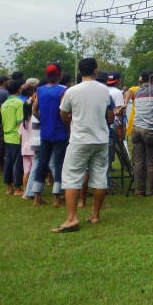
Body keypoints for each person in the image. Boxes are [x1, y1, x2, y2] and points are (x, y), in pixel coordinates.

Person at [52, 58, 114, 232]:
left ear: (80, 72)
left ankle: (72, 218)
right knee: (100, 177)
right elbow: (110, 115)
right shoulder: (105, 90)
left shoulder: (72, 91)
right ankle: (95, 215)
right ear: (95, 71)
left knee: (72, 177)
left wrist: (70, 121)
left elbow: (63, 113)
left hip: (79, 139)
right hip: (101, 139)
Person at [32, 63, 69, 207]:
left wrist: (43, 119)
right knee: (59, 164)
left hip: (45, 132)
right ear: (60, 74)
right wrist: (66, 125)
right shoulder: (63, 90)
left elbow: (34, 109)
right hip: (59, 131)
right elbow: (63, 111)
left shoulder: (40, 90)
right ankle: (57, 197)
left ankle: (37, 196)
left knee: (42, 162)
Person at [131, 70, 153, 197]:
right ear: (152, 78)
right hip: (150, 129)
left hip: (136, 129)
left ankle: (139, 190)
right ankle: (151, 190)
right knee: (151, 160)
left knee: (138, 161)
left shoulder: (137, 92)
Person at [0, 80, 25, 196]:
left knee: (8, 162)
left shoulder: (4, 104)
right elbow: (20, 122)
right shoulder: (19, 103)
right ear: (18, 89)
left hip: (7, 136)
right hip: (16, 136)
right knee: (17, 163)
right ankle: (17, 188)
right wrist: (22, 137)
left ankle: (8, 187)